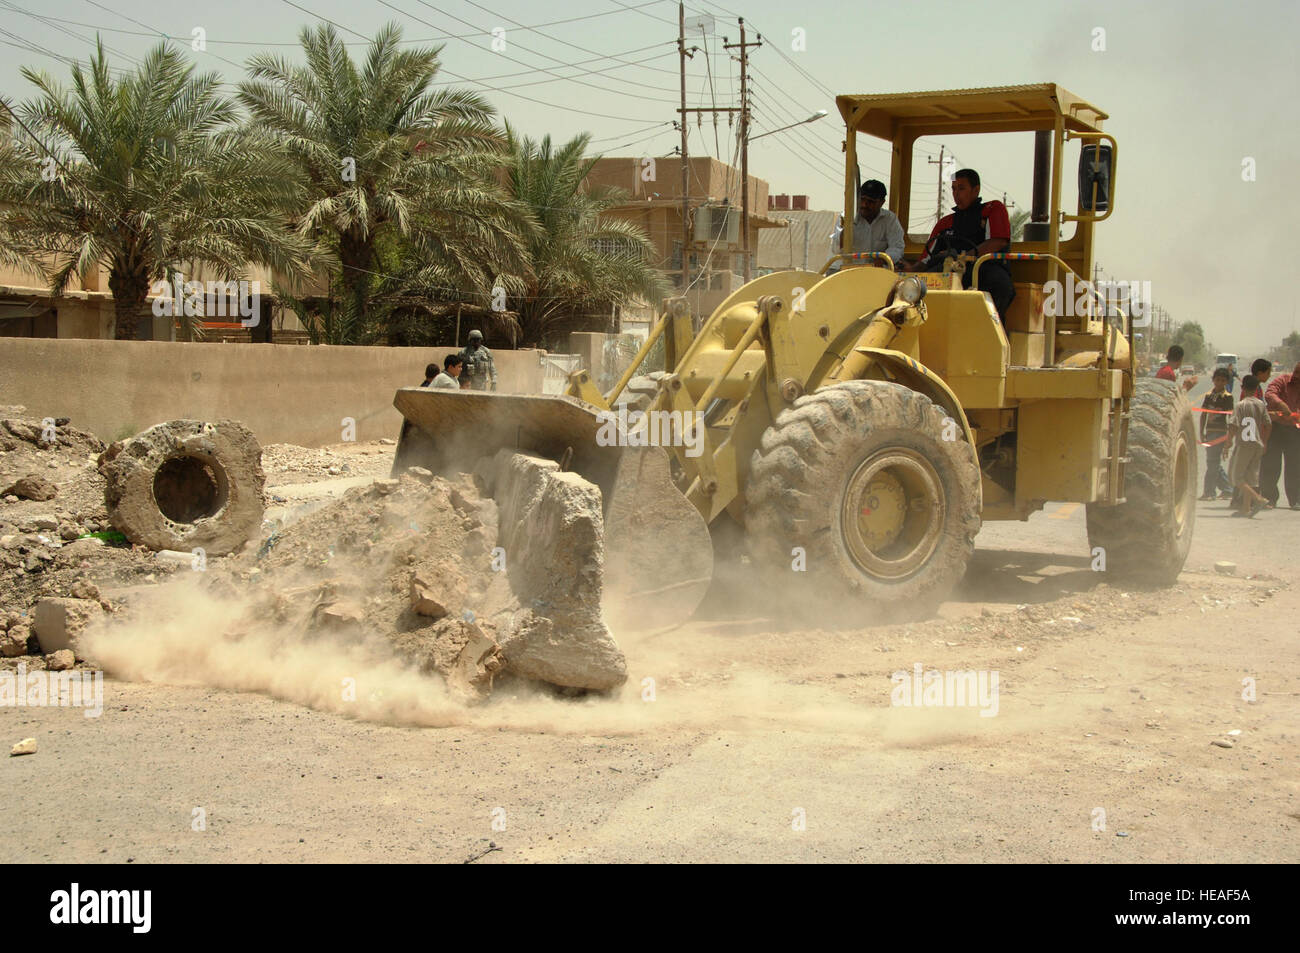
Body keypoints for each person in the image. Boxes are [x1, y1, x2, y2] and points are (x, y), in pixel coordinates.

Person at [903, 169, 1015, 320]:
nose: (956, 194)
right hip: (949, 271)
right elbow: (925, 260)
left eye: (961, 188)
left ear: (976, 190)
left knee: (1000, 284)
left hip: (984, 269)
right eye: (954, 189)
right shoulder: (945, 223)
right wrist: (909, 270)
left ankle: (992, 330)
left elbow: (998, 241)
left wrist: (962, 257)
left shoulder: (992, 210)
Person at [830, 180, 905, 267]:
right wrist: (845, 231)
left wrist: (883, 259)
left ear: (882, 202)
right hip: (844, 270)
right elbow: (835, 248)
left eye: (870, 202)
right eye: (862, 199)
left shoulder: (889, 219)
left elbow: (897, 247)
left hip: (874, 272)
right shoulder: (846, 217)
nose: (864, 205)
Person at [1227, 374, 1271, 517]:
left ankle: (1258, 499)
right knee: (1249, 478)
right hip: (1257, 444)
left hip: (1244, 444)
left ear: (1242, 388)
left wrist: (1228, 443)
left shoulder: (1240, 405)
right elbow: (1268, 424)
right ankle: (1246, 509)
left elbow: (1233, 425)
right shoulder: (1261, 404)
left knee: (1236, 477)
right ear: (1257, 388)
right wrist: (1264, 441)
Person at [1259, 361, 1300, 509]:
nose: (1297, 376)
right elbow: (1270, 393)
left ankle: (1295, 499)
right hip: (1275, 428)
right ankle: (1269, 498)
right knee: (1271, 464)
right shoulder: (1282, 380)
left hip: (1295, 431)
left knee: (1295, 466)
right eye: (1296, 371)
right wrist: (1281, 404)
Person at [1198, 368, 1234, 500]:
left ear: (1226, 382)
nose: (1219, 383)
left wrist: (1229, 437)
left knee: (1212, 462)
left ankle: (1209, 492)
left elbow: (1230, 418)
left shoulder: (1227, 397)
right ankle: (1228, 488)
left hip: (1221, 432)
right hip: (1210, 431)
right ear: (1213, 380)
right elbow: (1203, 414)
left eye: (1223, 380)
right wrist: (1201, 432)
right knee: (1213, 463)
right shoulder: (1209, 396)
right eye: (1217, 379)